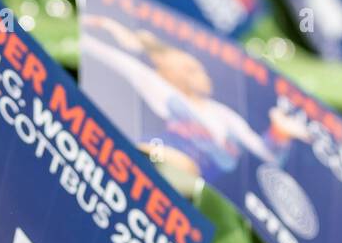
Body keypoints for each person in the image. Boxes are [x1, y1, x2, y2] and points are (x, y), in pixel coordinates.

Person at [81, 13, 310, 179]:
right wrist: (105, 23)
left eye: (199, 70)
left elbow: (267, 152)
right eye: (191, 70)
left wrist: (281, 131)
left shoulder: (223, 115)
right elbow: (115, 59)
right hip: (152, 161)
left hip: (190, 188)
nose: (202, 76)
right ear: (169, 71)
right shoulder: (166, 94)